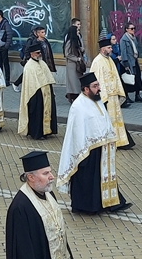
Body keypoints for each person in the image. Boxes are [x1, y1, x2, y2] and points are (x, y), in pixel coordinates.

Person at [58, 72, 132, 214]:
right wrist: (84, 148)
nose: (99, 88)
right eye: (95, 86)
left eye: (98, 85)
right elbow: (77, 132)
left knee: (101, 176)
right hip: (87, 151)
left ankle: (111, 203)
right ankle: (87, 207)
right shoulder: (78, 106)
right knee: (89, 178)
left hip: (101, 148)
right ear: (86, 89)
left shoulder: (97, 101)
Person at [6, 150, 77, 259]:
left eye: (50, 171)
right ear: (31, 177)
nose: (51, 177)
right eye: (45, 173)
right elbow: (23, 254)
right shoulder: (20, 207)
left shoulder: (49, 194)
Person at [90, 37, 135, 149]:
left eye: (111, 47)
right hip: (105, 96)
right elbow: (95, 80)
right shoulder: (97, 61)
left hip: (113, 95)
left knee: (117, 119)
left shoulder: (110, 60)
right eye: (109, 47)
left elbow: (116, 76)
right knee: (107, 120)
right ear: (102, 49)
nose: (111, 49)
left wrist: (119, 91)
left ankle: (120, 141)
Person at [16, 42, 57, 140]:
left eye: (40, 53)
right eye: (38, 53)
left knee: (47, 112)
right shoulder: (29, 66)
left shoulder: (42, 63)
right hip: (36, 93)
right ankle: (37, 133)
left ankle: (47, 131)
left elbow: (48, 77)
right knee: (37, 113)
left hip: (45, 92)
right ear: (32, 54)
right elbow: (30, 84)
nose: (40, 55)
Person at [118, 23, 142, 102]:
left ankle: (137, 95)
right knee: (128, 79)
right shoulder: (123, 39)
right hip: (128, 62)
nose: (133, 30)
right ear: (126, 29)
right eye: (131, 28)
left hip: (134, 60)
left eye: (134, 28)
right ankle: (126, 97)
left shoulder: (134, 38)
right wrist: (126, 63)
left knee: (138, 77)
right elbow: (123, 52)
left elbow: (136, 48)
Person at [62, 21, 85, 102]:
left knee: (77, 80)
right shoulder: (69, 41)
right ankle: (72, 95)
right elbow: (67, 53)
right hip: (72, 64)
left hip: (77, 64)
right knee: (73, 81)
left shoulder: (76, 40)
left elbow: (81, 48)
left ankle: (75, 94)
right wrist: (76, 59)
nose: (78, 32)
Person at [0, 11, 14, 86]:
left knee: (5, 63)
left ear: (0, 16)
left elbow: (9, 34)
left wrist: (6, 46)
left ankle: (7, 80)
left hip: (3, 46)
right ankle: (0, 79)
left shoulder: (5, 24)